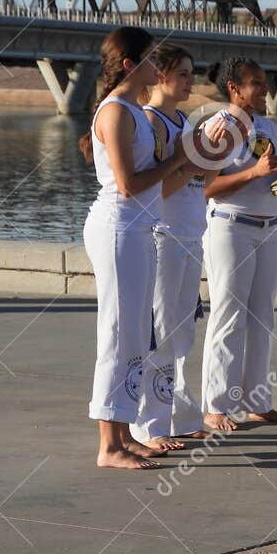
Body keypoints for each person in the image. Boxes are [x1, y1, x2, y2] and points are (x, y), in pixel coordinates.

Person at [83, 26, 195, 469]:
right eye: (151, 58)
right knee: (116, 330)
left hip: (138, 230)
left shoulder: (130, 107)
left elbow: (154, 180)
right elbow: (128, 185)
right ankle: (108, 445)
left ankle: (126, 434)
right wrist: (179, 159)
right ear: (130, 65)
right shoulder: (115, 112)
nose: (157, 65)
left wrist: (182, 160)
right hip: (117, 229)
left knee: (134, 331)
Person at [199, 58, 277, 431]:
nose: (265, 89)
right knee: (228, 316)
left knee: (262, 317)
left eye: (265, 81)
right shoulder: (217, 127)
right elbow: (207, 188)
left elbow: (267, 179)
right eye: (256, 83)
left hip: (269, 227)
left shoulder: (268, 125)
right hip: (230, 228)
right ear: (234, 89)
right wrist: (255, 172)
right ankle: (216, 405)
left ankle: (258, 400)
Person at [133, 43, 215, 446]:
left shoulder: (182, 120)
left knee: (182, 332)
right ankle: (147, 425)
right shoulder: (150, 122)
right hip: (164, 235)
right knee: (160, 331)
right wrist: (194, 164)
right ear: (161, 75)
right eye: (182, 73)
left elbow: (197, 177)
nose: (189, 81)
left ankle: (179, 416)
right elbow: (159, 188)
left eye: (190, 72)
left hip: (190, 234)